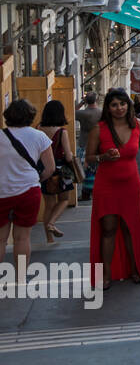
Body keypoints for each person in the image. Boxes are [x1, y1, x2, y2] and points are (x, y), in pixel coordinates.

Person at [85, 89, 140, 287]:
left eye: (122, 104)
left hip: (131, 184)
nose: (119, 108)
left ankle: (135, 269)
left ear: (128, 105)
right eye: (114, 105)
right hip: (106, 184)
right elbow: (89, 158)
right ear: (108, 108)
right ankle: (107, 274)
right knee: (108, 229)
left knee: (130, 227)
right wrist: (103, 157)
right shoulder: (98, 129)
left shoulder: (136, 124)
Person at [0, 99, 56, 273]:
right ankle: (21, 276)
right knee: (22, 237)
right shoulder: (39, 136)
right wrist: (37, 179)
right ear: (31, 116)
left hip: (1, 191)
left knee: (1, 239)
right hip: (29, 191)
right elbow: (50, 168)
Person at [36, 100, 75, 242]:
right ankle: (52, 223)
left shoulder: (38, 128)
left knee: (48, 205)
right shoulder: (61, 131)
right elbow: (68, 156)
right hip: (60, 169)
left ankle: (49, 239)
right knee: (64, 199)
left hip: (44, 169)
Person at [75, 93, 100, 201]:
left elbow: (71, 112)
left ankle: (86, 192)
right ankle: (95, 191)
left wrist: (81, 103)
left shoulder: (83, 113)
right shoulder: (102, 112)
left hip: (85, 142)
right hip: (99, 143)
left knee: (86, 170)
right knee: (96, 169)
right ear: (97, 100)